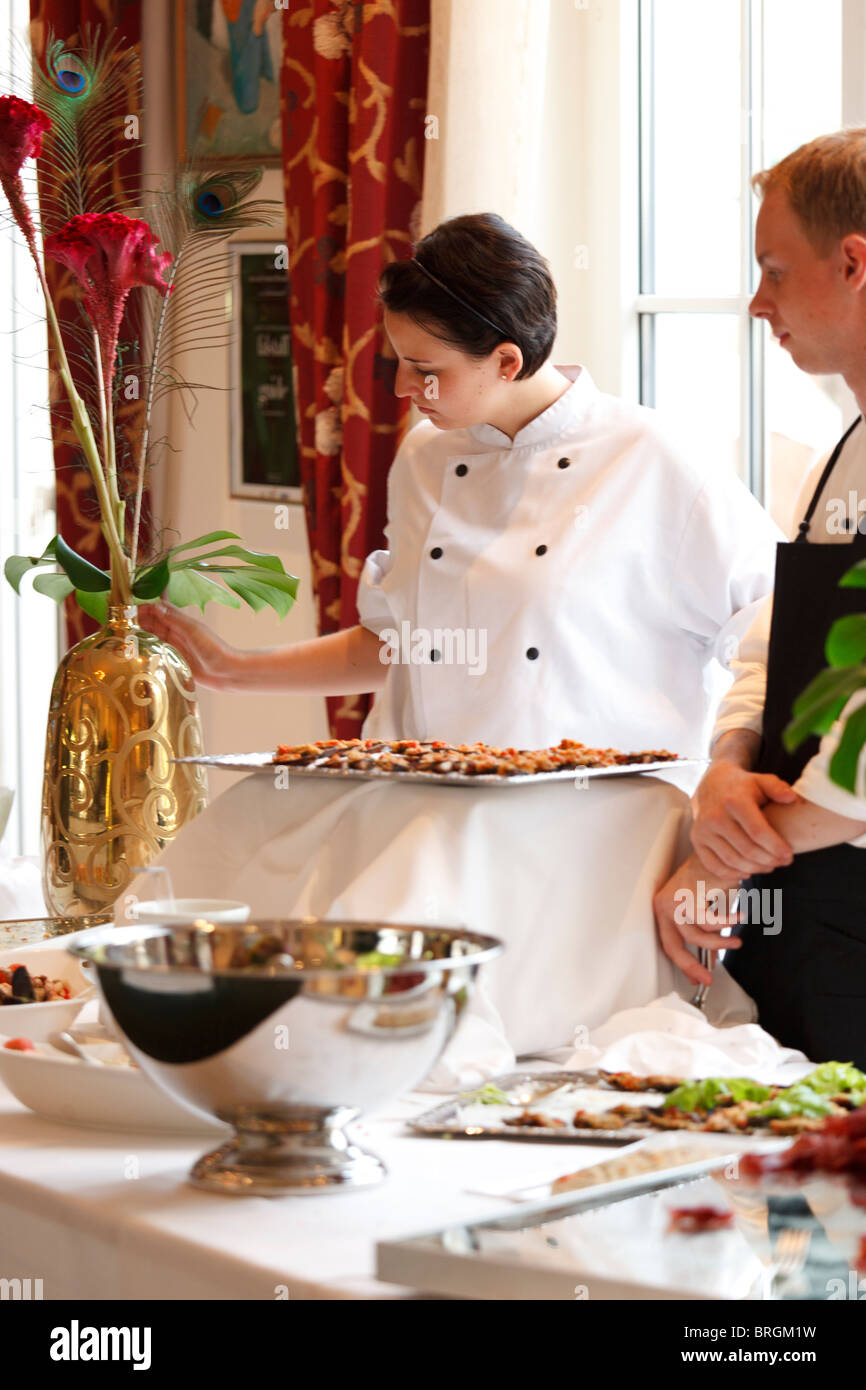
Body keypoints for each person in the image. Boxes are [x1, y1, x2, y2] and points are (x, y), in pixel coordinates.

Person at [141, 212, 780, 756]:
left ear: (507, 361)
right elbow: (400, 641)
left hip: (593, 825)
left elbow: (773, 632)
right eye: (396, 362)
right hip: (420, 794)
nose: (400, 389)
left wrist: (729, 778)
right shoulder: (424, 457)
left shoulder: (654, 459)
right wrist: (233, 670)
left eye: (424, 369)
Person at [654, 130, 866, 1066]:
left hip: (843, 906)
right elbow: (772, 646)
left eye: (775, 269)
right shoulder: (843, 451)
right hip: (805, 924)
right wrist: (727, 761)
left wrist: (722, 854)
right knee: (789, 1202)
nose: (756, 301)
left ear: (854, 262)